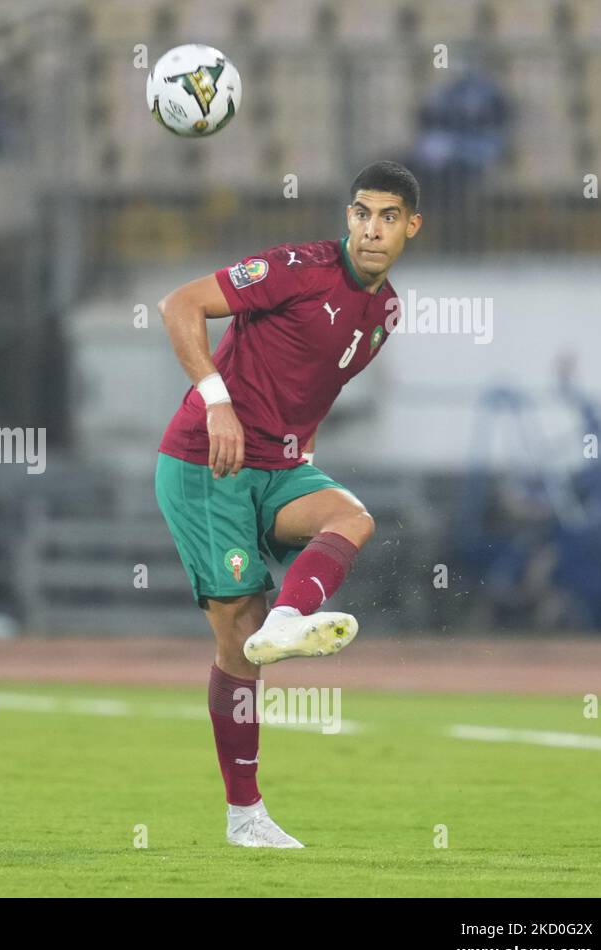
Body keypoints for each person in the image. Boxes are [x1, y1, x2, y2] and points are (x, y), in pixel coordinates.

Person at [154, 161, 422, 848]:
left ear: (411, 228)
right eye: (361, 212)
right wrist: (218, 404)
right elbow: (179, 304)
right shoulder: (295, 268)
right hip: (206, 460)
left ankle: (288, 617)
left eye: (388, 216)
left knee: (353, 516)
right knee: (237, 642)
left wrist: (300, 444)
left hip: (278, 464)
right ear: (347, 217)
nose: (371, 228)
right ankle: (245, 816)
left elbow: (312, 383)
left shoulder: (387, 310)